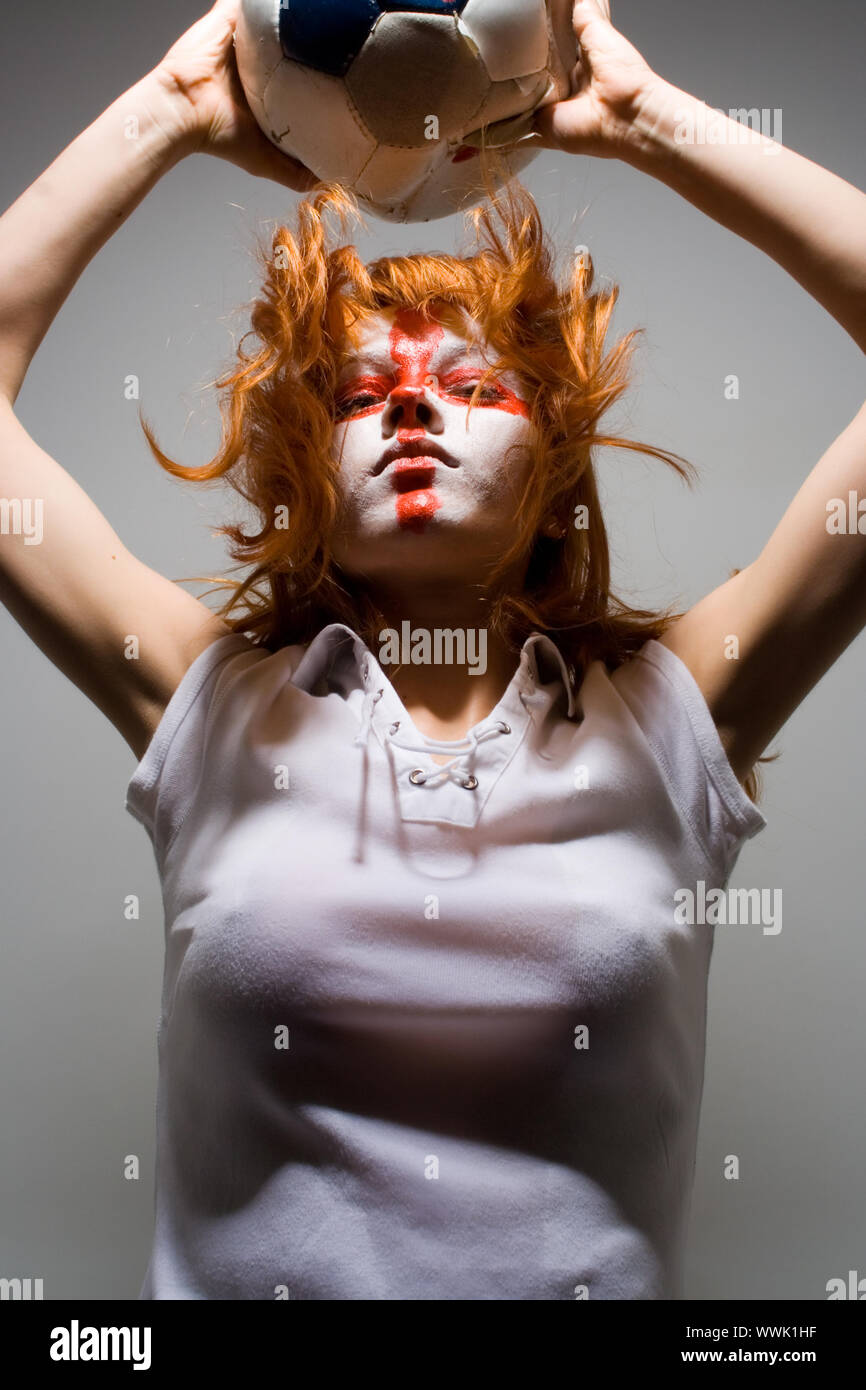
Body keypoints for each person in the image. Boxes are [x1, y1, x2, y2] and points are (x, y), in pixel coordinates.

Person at [1, 0, 864, 1300]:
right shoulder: (208, 706)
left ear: (550, 463)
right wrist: (174, 109)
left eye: (470, 386)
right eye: (360, 394)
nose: (410, 405)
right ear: (309, 465)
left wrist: (641, 123)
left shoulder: (675, 715)